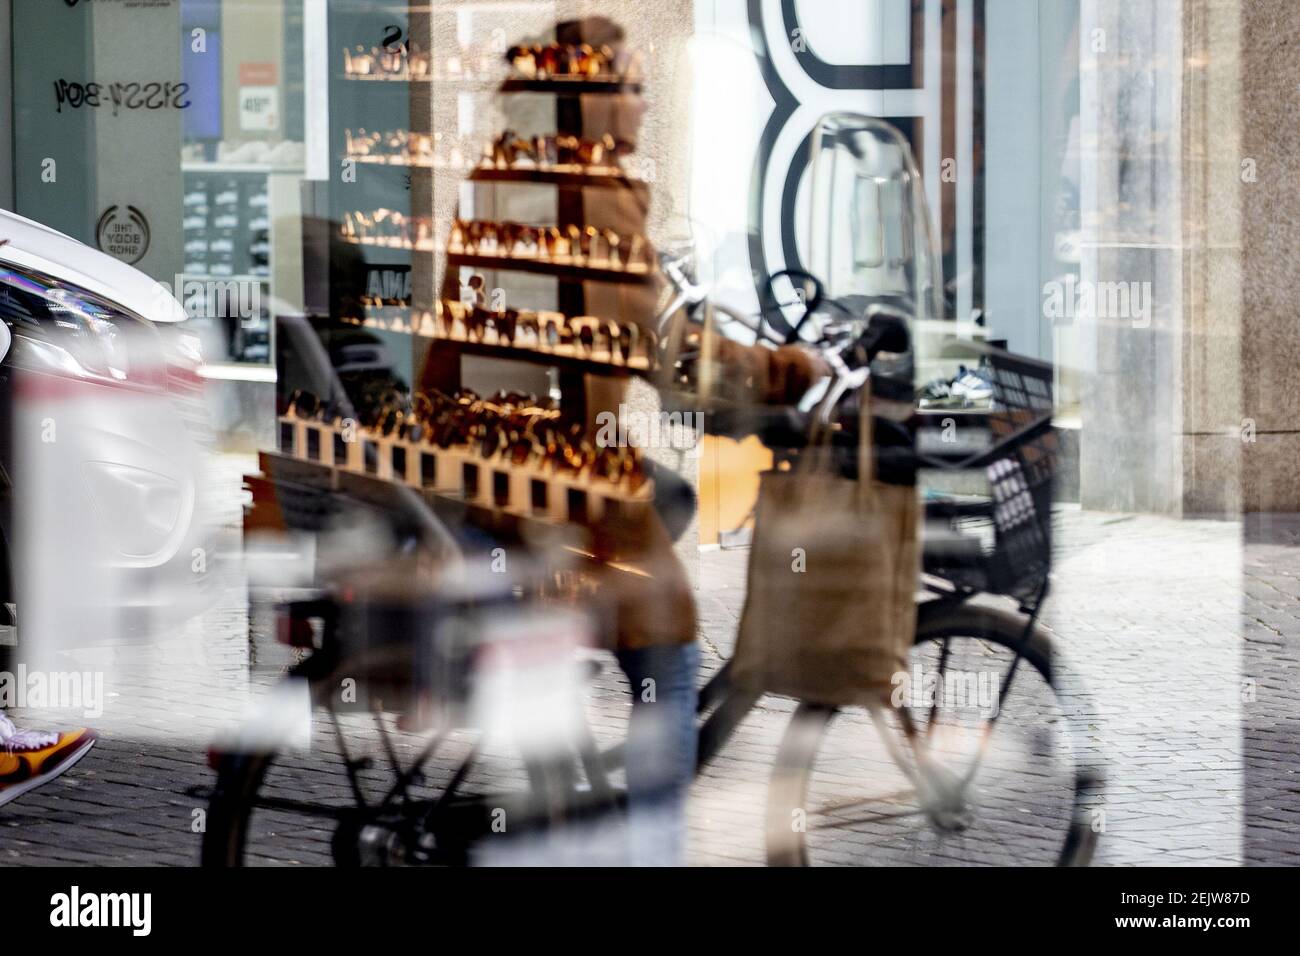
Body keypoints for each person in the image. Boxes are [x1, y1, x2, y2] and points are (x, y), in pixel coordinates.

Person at [426, 16, 824, 864]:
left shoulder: (501, 175)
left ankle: (569, 776)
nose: (643, 104)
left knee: (664, 504)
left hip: (477, 461)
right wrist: (785, 372)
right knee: (669, 646)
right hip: (544, 486)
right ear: (588, 102)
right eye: (630, 87)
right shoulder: (592, 198)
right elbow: (675, 362)